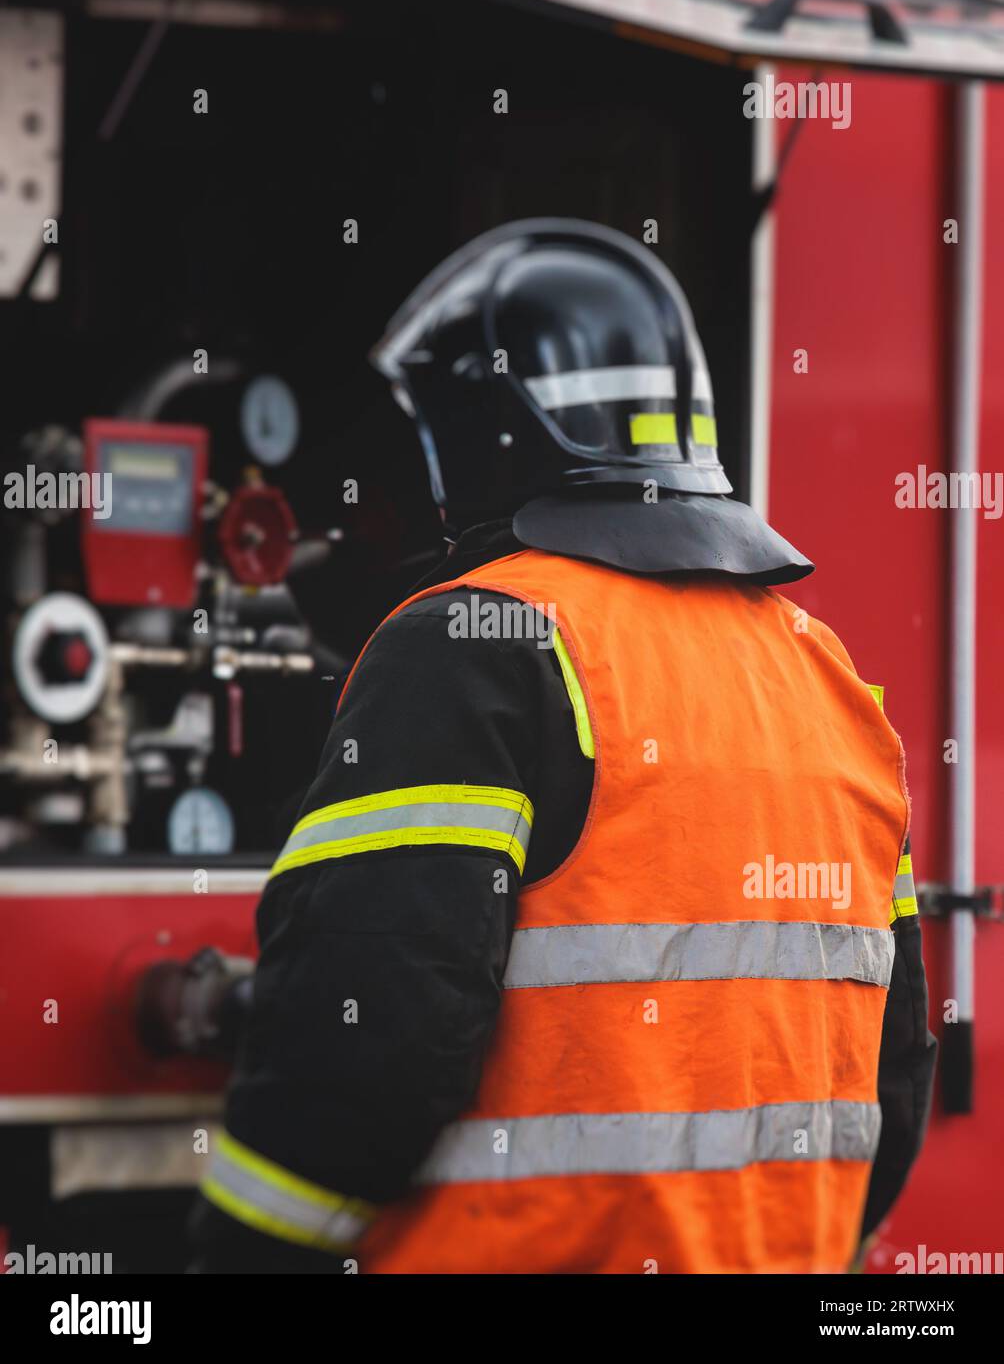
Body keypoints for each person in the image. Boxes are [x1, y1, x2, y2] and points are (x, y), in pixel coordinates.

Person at [192, 219, 936, 1273]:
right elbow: (891, 1081)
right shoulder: (828, 684)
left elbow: (364, 1051)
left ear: (477, 434)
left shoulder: (473, 643)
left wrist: (238, 1252)